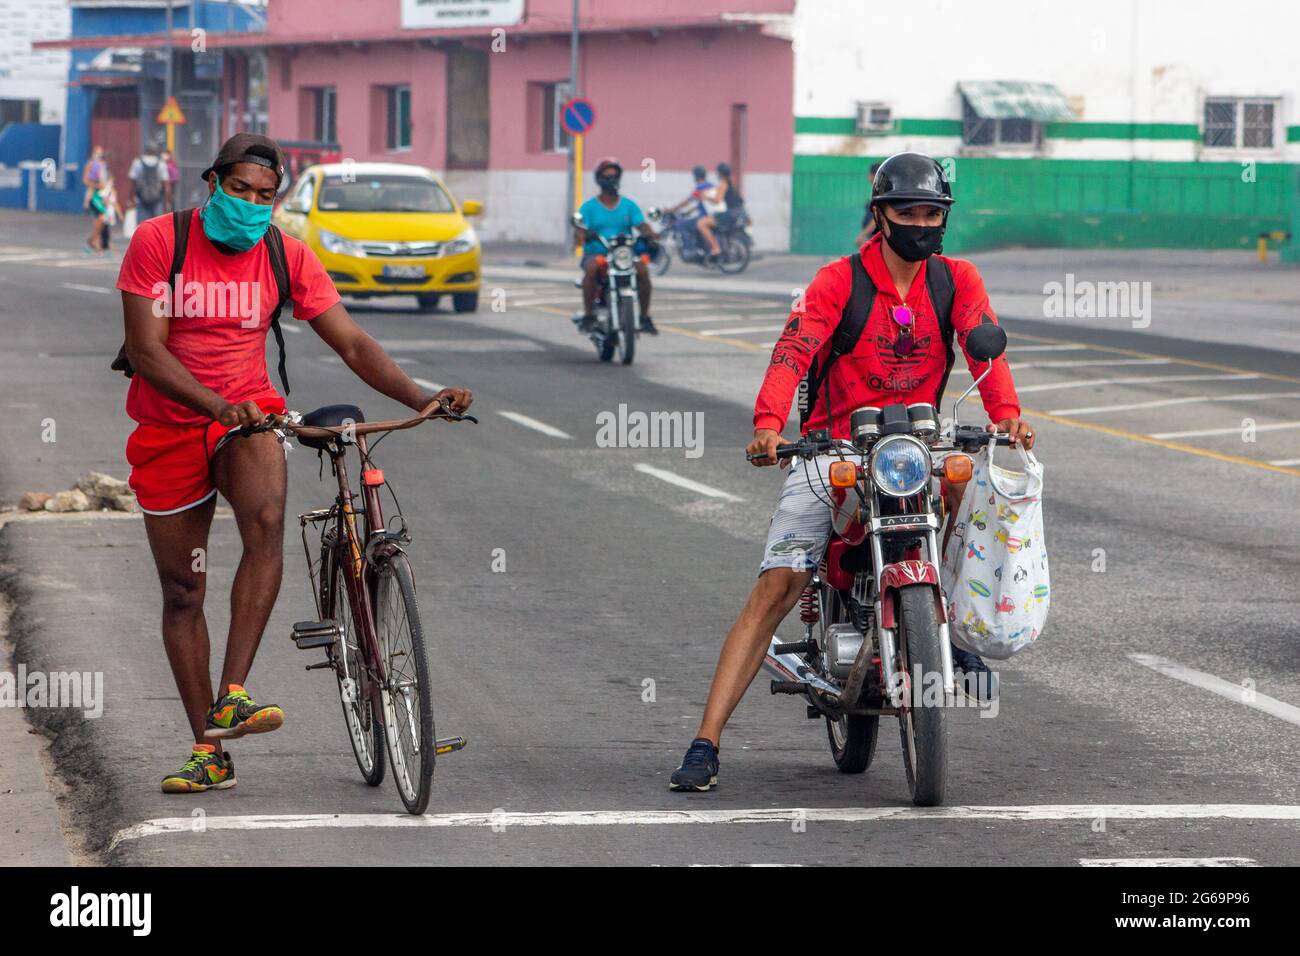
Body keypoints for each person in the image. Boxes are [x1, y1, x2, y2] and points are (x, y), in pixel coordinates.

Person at [668, 151, 1037, 792]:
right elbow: (794, 348)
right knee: (778, 585)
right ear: (881, 215)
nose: (921, 222)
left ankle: (946, 621)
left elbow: (984, 343)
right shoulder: (838, 280)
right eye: (908, 211)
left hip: (916, 444)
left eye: (932, 212)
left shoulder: (957, 280)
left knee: (962, 485)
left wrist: (1007, 415)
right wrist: (767, 423)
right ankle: (706, 743)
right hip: (831, 451)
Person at [116, 132, 473, 793]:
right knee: (181, 592)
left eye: (265, 196)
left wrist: (424, 398)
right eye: (240, 190)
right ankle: (210, 749)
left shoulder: (285, 254)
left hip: (248, 421)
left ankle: (233, 692)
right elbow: (146, 351)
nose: (251, 205)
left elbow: (354, 344)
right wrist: (216, 404)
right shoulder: (160, 243)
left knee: (267, 513)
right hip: (168, 428)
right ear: (212, 183)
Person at [573, 157, 659, 335]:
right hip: (597, 254)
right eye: (607, 176)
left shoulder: (628, 205)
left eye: (614, 176)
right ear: (599, 180)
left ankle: (644, 317)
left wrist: (649, 233)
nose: (611, 180)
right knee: (591, 269)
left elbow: (641, 224)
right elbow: (579, 231)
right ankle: (589, 316)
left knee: (643, 271)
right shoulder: (588, 207)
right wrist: (583, 235)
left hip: (623, 255)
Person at [696, 162, 746, 263]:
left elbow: (718, 200)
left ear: (720, 173)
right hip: (737, 213)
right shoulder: (730, 183)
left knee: (701, 223)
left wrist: (704, 197)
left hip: (730, 214)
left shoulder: (723, 184)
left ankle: (715, 248)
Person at [667, 165, 715, 253]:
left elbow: (688, 201)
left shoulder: (700, 187)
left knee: (681, 224)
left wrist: (672, 209)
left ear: (696, 176)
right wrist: (688, 212)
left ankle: (690, 249)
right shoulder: (710, 185)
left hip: (704, 217)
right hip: (712, 215)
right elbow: (701, 205)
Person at [129, 145, 167, 222]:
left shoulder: (137, 162)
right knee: (157, 225)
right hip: (157, 199)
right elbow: (166, 185)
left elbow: (133, 183)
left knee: (142, 226)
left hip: (141, 198)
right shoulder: (161, 164)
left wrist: (131, 199)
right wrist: (167, 204)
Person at [855, 161, 884, 246]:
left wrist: (862, 234)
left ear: (874, 175)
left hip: (878, 238)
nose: (868, 176)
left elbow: (877, 217)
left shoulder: (881, 193)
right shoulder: (876, 191)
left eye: (869, 173)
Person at [84, 145, 107, 252]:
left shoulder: (102, 165)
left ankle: (93, 240)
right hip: (93, 195)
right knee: (98, 219)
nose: (98, 155)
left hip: (101, 195)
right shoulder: (90, 165)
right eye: (96, 153)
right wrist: (97, 186)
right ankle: (94, 242)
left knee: (101, 220)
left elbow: (105, 180)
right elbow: (85, 180)